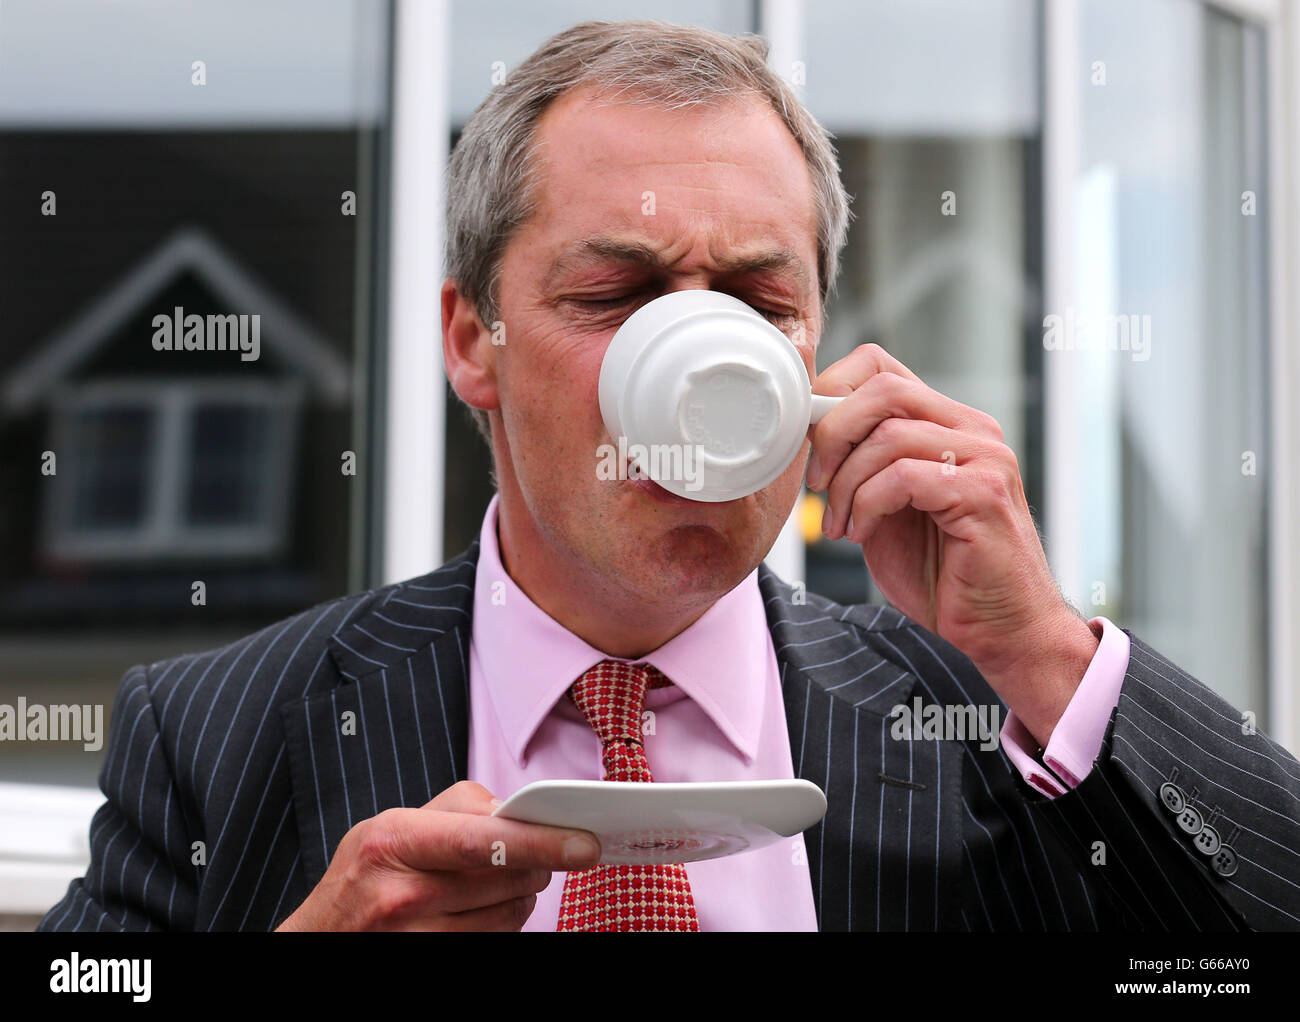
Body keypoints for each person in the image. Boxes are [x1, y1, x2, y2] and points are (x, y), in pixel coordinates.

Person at [40, 20, 1300, 932]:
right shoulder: (220, 732)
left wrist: (1045, 651)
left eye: (759, 302)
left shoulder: (988, 721)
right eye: (615, 296)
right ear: (472, 340)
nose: (703, 366)